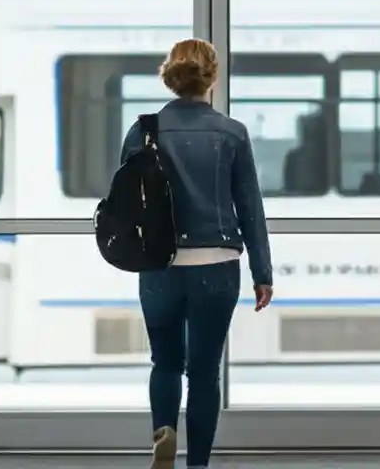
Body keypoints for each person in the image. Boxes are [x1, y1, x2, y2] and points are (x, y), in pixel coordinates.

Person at [120, 38, 274, 469]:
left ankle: (164, 433)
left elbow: (128, 200)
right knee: (204, 372)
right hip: (217, 267)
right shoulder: (231, 133)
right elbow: (250, 207)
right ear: (212, 77)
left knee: (165, 362)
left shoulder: (143, 130)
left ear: (169, 74)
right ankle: (198, 464)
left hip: (159, 265)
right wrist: (263, 271)